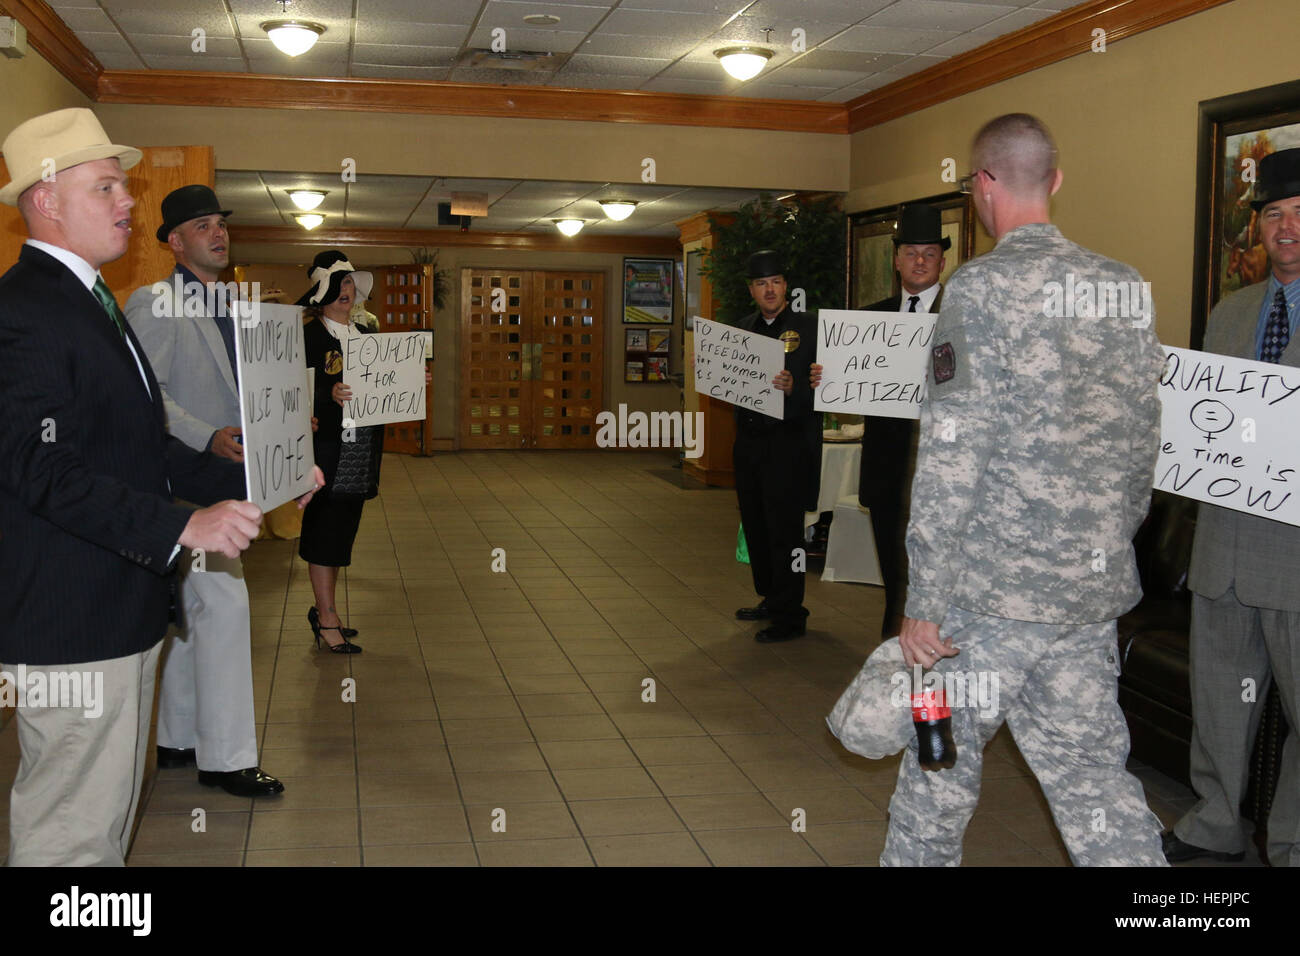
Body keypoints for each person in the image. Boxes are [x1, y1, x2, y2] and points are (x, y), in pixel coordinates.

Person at [826, 113, 1168, 865]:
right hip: (1085, 597)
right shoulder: (1123, 288)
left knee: (937, 779)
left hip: (984, 605)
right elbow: (1144, 448)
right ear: (1055, 180)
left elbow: (951, 457)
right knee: (1096, 789)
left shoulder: (980, 291)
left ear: (981, 186)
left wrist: (921, 605)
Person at [0, 108, 316, 866]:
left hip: (119, 608)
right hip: (71, 620)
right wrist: (182, 528)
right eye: (106, 186)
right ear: (45, 199)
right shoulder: (25, 312)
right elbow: (42, 471)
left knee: (101, 818)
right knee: (71, 831)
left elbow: (144, 449)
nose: (128, 201)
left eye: (124, 187)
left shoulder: (94, 302)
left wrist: (262, 478)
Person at [123, 184, 283, 798]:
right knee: (224, 609)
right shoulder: (153, 301)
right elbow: (148, 396)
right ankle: (227, 758)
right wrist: (204, 433)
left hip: (224, 480)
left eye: (220, 222)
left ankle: (178, 739)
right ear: (175, 240)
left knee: (196, 611)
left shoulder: (232, 305)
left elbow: (250, 389)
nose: (217, 233)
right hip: (183, 482)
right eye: (201, 225)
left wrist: (285, 424)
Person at [1166, 147, 1300, 868]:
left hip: (1297, 556)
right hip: (1222, 549)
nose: (1286, 229)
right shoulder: (1229, 312)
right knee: (1219, 702)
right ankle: (1215, 823)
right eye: (1274, 213)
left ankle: (1293, 841)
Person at [811, 204, 950, 636]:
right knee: (894, 566)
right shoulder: (871, 319)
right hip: (888, 469)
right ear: (897, 259)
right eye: (911, 252)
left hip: (943, 472)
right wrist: (828, 378)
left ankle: (931, 654)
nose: (920, 261)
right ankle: (895, 645)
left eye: (929, 253)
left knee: (938, 571)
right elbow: (854, 395)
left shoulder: (963, 318)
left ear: (943, 261)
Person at [732, 249, 820, 643]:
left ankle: (791, 614)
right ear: (751, 289)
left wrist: (795, 388)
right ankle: (770, 597)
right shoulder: (742, 330)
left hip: (789, 446)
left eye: (776, 282)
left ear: (786, 286)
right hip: (750, 444)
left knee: (786, 534)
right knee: (756, 527)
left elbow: (829, 390)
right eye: (761, 283)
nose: (770, 289)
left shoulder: (812, 328)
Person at [297, 250, 381, 652]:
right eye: (339, 283)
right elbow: (289, 388)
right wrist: (325, 394)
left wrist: (413, 381)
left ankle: (326, 610)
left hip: (359, 449)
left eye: (349, 282)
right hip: (323, 447)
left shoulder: (368, 337)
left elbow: (382, 387)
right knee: (323, 529)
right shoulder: (308, 336)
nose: (346, 290)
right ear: (321, 293)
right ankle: (326, 616)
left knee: (343, 529)